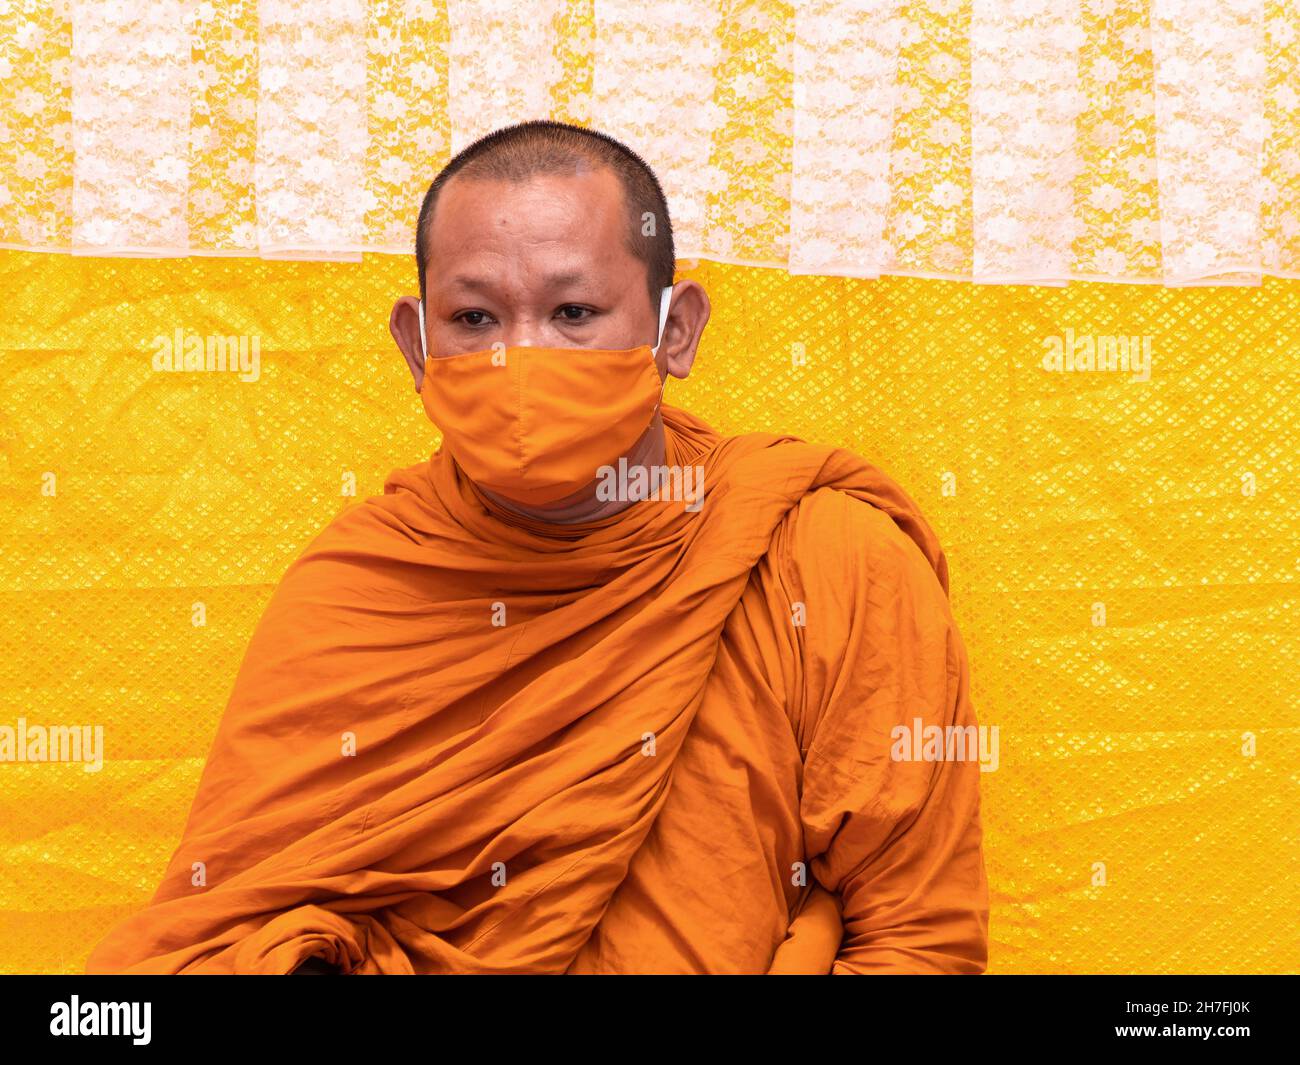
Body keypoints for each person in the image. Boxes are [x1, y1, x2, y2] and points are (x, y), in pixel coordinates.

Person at [85, 119, 989, 975]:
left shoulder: (819, 552)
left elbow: (919, 936)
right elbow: (226, 932)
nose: (523, 361)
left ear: (676, 331)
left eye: (574, 311)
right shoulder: (359, 586)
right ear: (415, 343)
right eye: (475, 321)